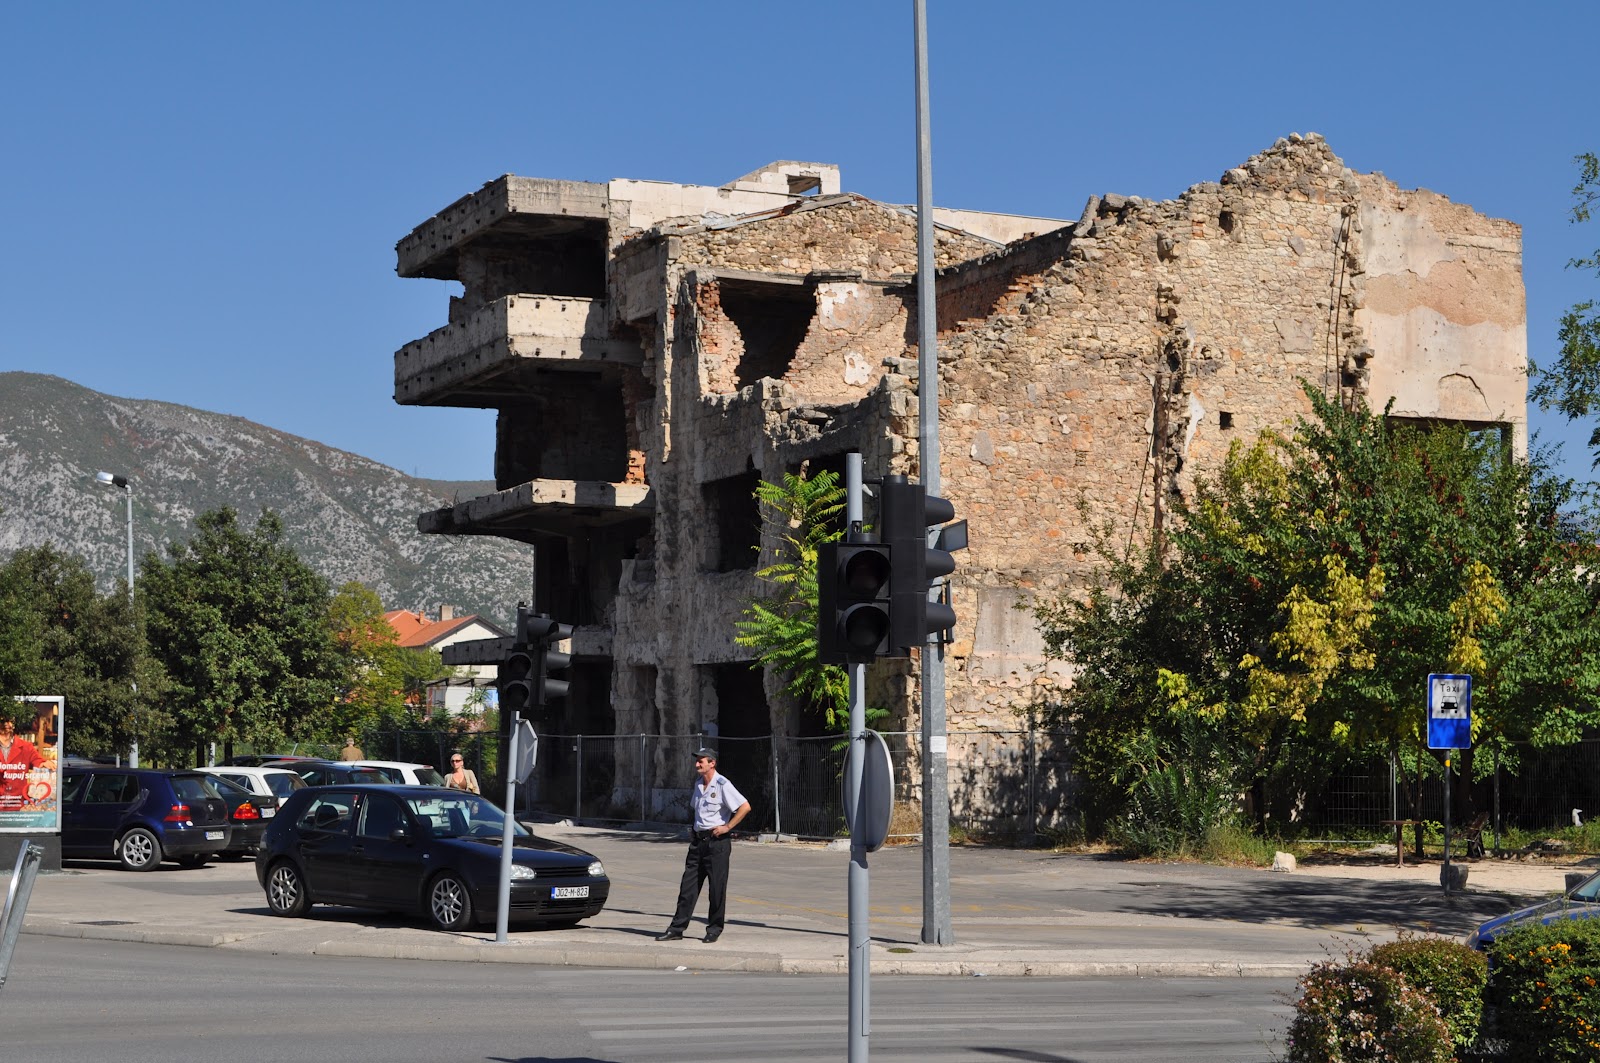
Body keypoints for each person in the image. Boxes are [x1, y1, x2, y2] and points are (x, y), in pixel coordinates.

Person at [655, 746, 750, 943]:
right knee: (687, 888)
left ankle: (714, 929)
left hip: (717, 844)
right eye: (697, 760)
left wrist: (728, 827)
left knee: (716, 890)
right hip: (698, 843)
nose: (697, 764)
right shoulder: (698, 784)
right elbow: (698, 813)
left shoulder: (723, 784)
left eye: (701, 760)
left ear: (712, 763)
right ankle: (676, 929)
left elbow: (744, 806)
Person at [0, 717, 44, 813]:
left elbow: (38, 761)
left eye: (10, 721)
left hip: (18, 806)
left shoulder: (26, 747)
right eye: (2, 721)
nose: (7, 724)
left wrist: (45, 763)